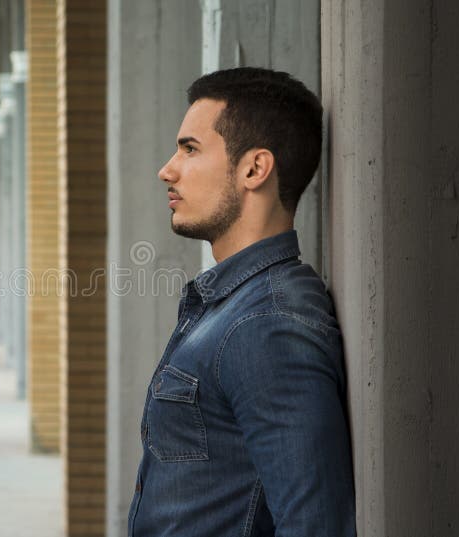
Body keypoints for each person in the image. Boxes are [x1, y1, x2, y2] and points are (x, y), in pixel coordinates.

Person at [127, 67, 356, 536]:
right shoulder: (233, 306)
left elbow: (315, 524)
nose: (167, 169)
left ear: (254, 169)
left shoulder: (267, 324)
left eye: (190, 149)